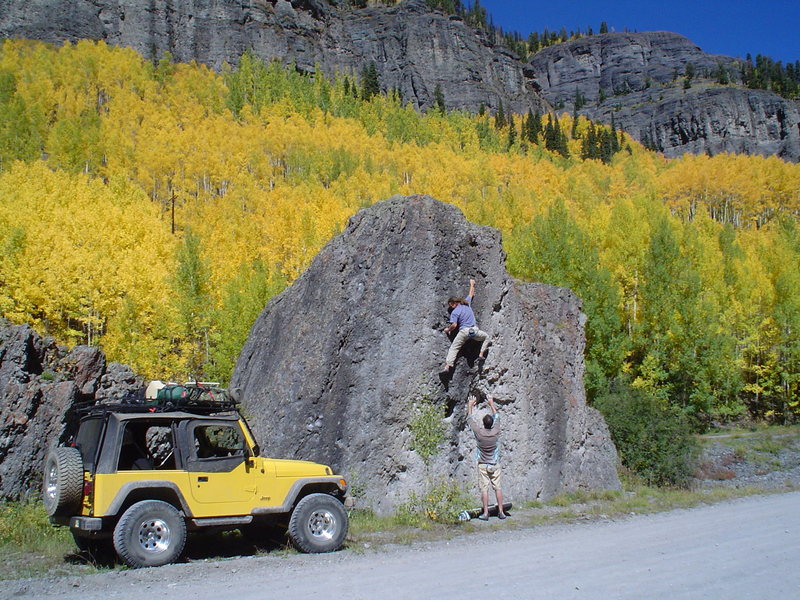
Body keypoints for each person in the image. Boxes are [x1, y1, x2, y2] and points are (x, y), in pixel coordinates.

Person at [467, 392, 507, 520]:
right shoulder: (495, 432)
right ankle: (501, 512)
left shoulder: (479, 433)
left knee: (484, 490)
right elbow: (497, 416)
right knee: (498, 488)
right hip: (495, 464)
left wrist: (470, 405)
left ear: (483, 424)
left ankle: (485, 513)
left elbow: (469, 419)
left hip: (483, 464)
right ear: (491, 424)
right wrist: (491, 403)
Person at [441, 279, 490, 374]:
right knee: (486, 337)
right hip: (474, 331)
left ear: (453, 303)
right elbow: (471, 294)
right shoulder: (467, 304)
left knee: (454, 348)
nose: (451, 307)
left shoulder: (455, 312)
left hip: (463, 332)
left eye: (450, 305)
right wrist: (472, 284)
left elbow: (454, 325)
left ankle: (447, 366)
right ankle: (481, 354)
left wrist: (447, 330)